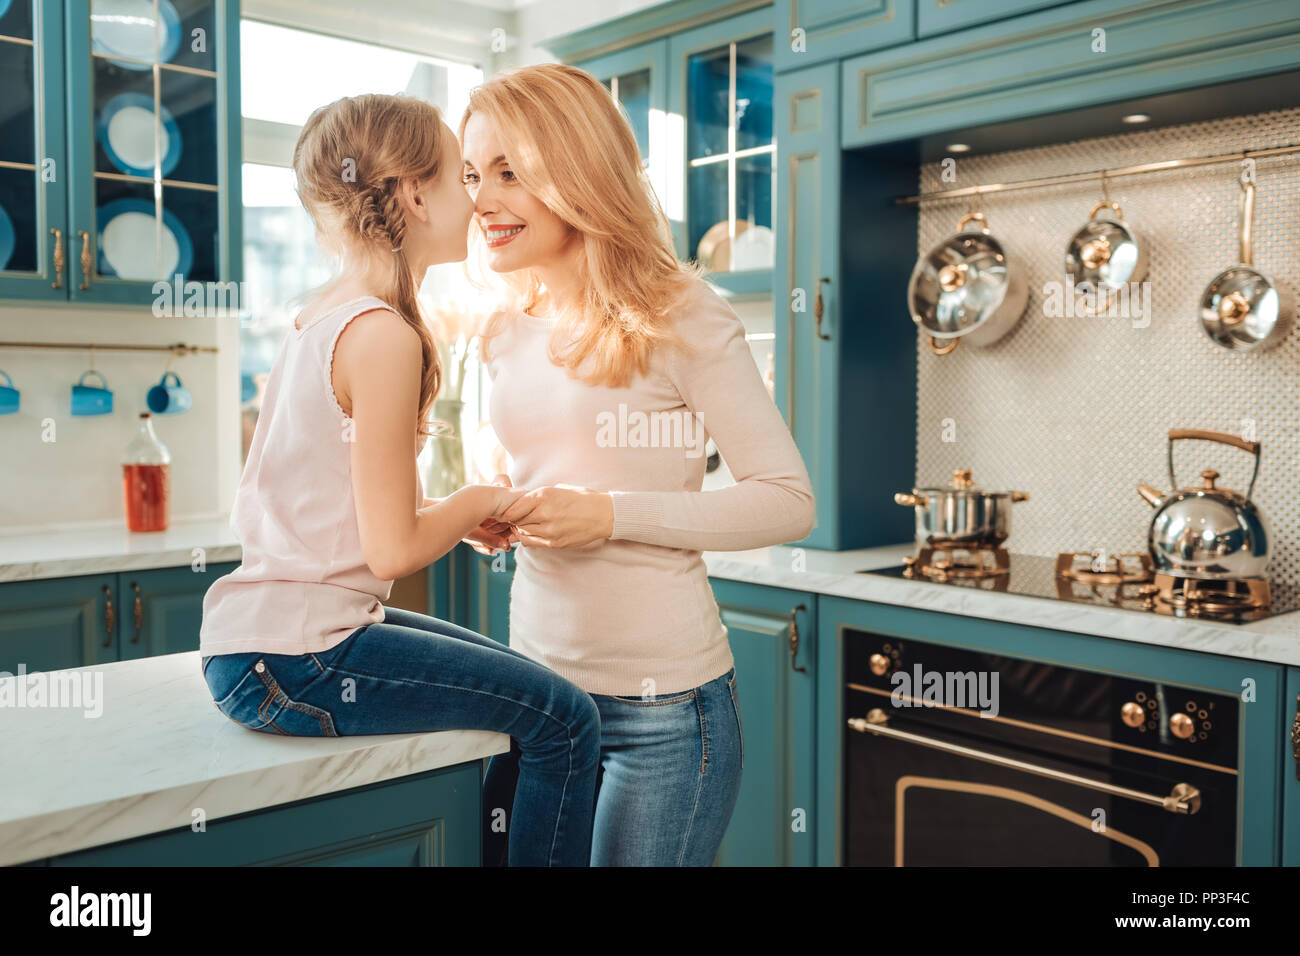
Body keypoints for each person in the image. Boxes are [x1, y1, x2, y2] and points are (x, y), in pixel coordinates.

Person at [198, 93, 600, 867]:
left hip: (260, 644)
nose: (479, 197)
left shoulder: (326, 315)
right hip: (301, 659)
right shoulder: (382, 336)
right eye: (463, 176)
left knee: (531, 693)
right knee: (567, 720)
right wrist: (479, 498)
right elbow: (391, 551)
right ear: (416, 195)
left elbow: (348, 506)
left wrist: (450, 510)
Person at [459, 65, 816, 866]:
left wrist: (609, 514)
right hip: (541, 695)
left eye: (509, 172)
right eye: (473, 175)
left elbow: (787, 502)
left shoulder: (681, 314)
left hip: (664, 713)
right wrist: (498, 509)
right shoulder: (501, 330)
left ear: (576, 170)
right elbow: (534, 455)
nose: (481, 200)